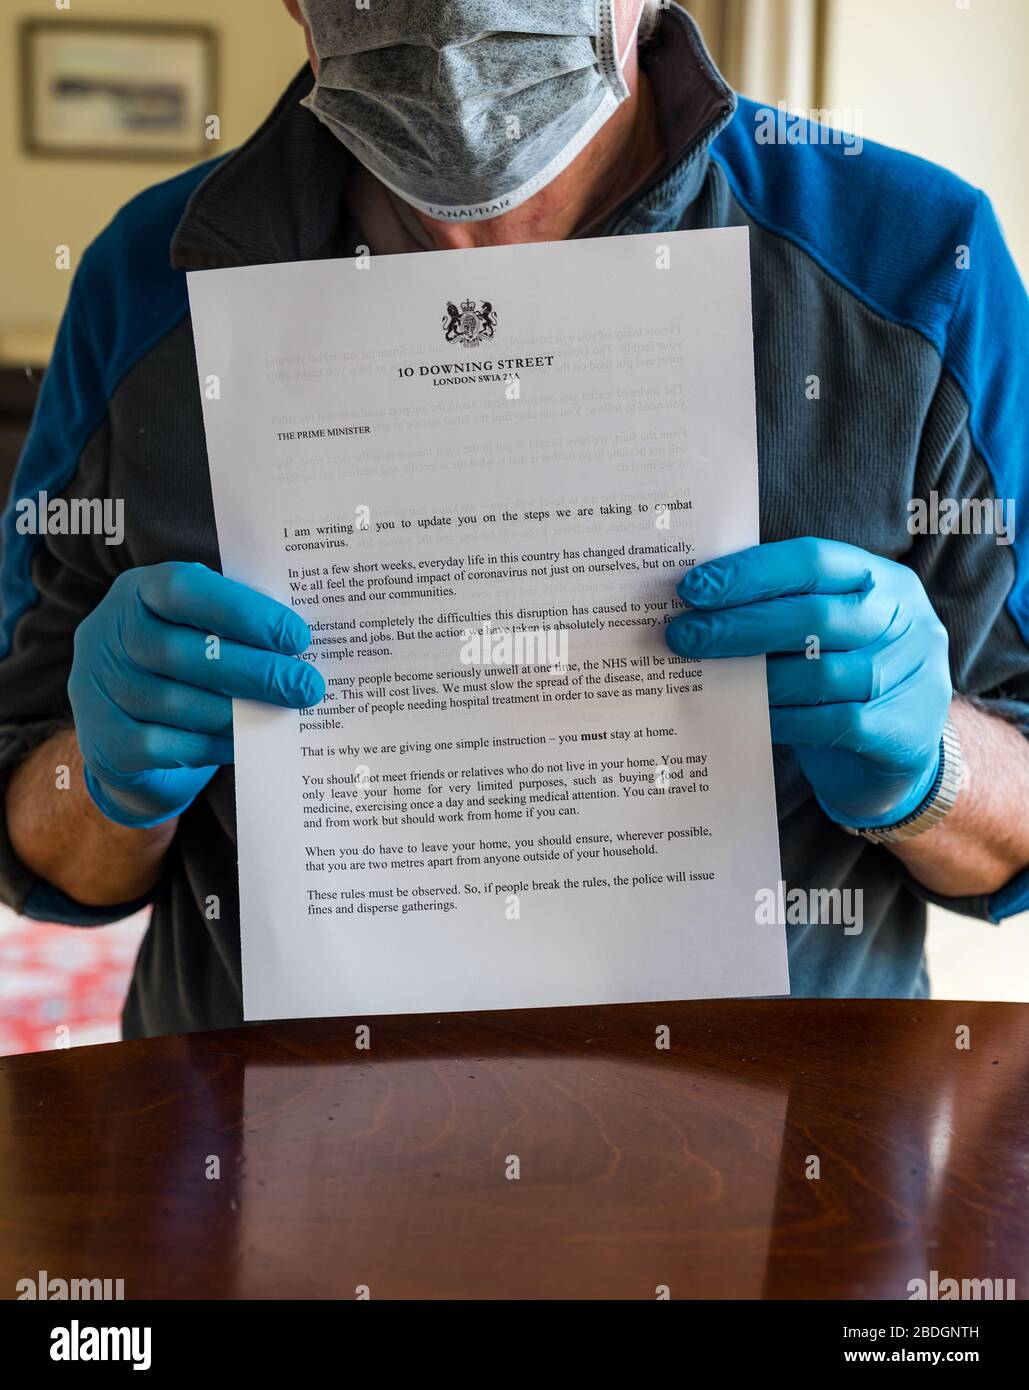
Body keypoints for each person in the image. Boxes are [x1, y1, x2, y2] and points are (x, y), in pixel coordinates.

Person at [1, 0, 1027, 1040]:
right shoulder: (145, 281)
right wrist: (100, 779)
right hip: (260, 1147)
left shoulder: (918, 264)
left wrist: (935, 766)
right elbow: (31, 827)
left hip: (783, 1153)